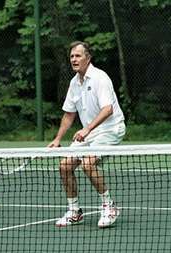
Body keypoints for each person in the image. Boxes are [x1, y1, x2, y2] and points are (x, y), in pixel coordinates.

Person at [48, 41, 125, 228]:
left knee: (88, 163)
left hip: (110, 129)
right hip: (90, 134)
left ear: (88, 58)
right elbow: (69, 114)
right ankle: (75, 212)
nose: (74, 59)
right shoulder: (74, 83)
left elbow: (108, 109)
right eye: (72, 56)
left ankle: (109, 206)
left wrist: (87, 129)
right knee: (64, 166)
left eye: (78, 56)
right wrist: (57, 139)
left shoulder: (100, 78)